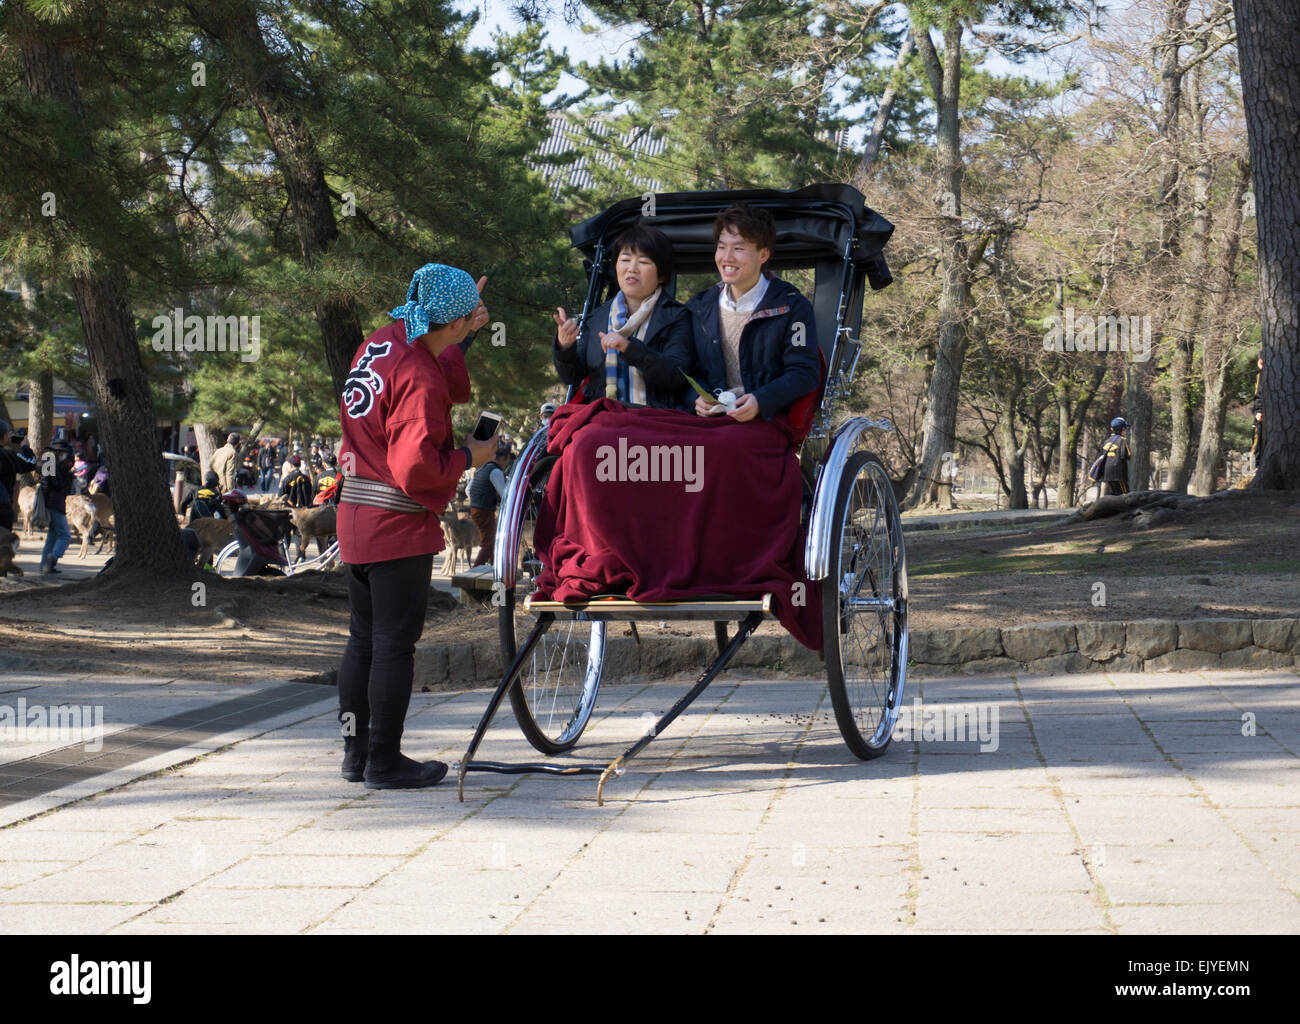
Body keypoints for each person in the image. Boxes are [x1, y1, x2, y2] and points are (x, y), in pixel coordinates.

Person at [335, 261, 497, 790]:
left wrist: (460, 325)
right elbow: (415, 468)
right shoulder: (420, 377)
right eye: (465, 322)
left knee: (362, 640)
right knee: (393, 644)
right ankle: (384, 761)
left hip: (354, 512)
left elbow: (433, 352)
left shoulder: (382, 341)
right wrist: (469, 457)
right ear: (451, 323)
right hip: (395, 522)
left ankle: (356, 755)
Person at [686, 202, 820, 422]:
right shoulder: (699, 306)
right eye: (721, 247)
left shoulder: (793, 308)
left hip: (765, 420)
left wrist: (761, 400)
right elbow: (684, 368)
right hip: (709, 419)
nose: (727, 257)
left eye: (738, 248)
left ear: (763, 254)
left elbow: (804, 372)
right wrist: (695, 397)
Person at [552, 222, 693, 410]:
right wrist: (565, 346)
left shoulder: (677, 316)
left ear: (661, 275)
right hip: (603, 416)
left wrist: (629, 348)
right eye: (625, 259)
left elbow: (678, 376)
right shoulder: (597, 317)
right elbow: (572, 377)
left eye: (643, 262)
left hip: (656, 419)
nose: (632, 268)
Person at [468, 441, 512, 567]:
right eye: (508, 460)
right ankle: (474, 572)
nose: (507, 464)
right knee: (488, 543)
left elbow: (468, 489)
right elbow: (504, 494)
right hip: (484, 510)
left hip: (475, 508)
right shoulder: (496, 471)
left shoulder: (483, 468)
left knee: (492, 542)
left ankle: (493, 568)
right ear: (502, 458)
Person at [39, 441, 75, 574]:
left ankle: (45, 566)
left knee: (52, 536)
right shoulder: (53, 463)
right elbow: (58, 485)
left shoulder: (47, 460)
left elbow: (45, 483)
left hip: (50, 503)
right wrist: (68, 473)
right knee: (65, 535)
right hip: (56, 504)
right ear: (60, 452)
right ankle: (52, 559)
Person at [0, 420, 38, 532]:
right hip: (2, 507)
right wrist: (25, 447)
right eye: (8, 434)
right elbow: (31, 462)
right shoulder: (7, 455)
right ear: (3, 436)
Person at [1093, 417, 1131, 496]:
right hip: (1119, 473)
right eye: (1125, 429)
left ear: (1111, 429)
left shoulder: (1107, 441)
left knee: (1114, 493)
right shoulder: (1122, 440)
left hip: (1107, 474)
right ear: (1122, 429)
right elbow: (1126, 455)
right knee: (1125, 494)